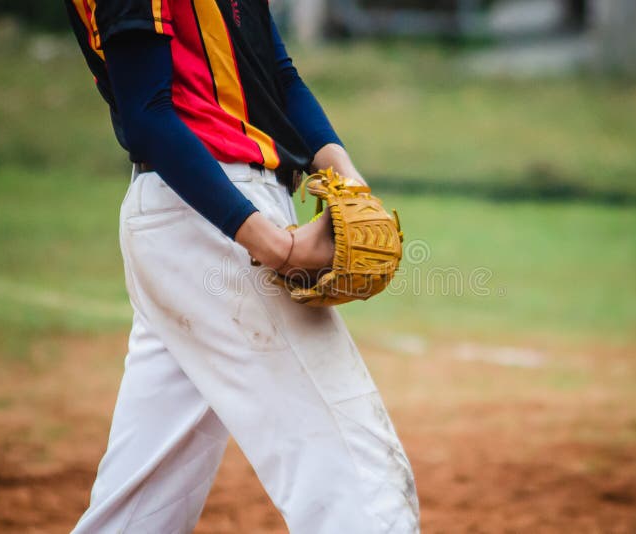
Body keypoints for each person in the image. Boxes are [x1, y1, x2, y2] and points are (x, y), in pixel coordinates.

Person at [64, 0, 420, 532]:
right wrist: (275, 246)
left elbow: (279, 75)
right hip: (214, 211)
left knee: (140, 508)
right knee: (360, 484)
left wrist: (348, 181)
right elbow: (147, 116)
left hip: (204, 221)